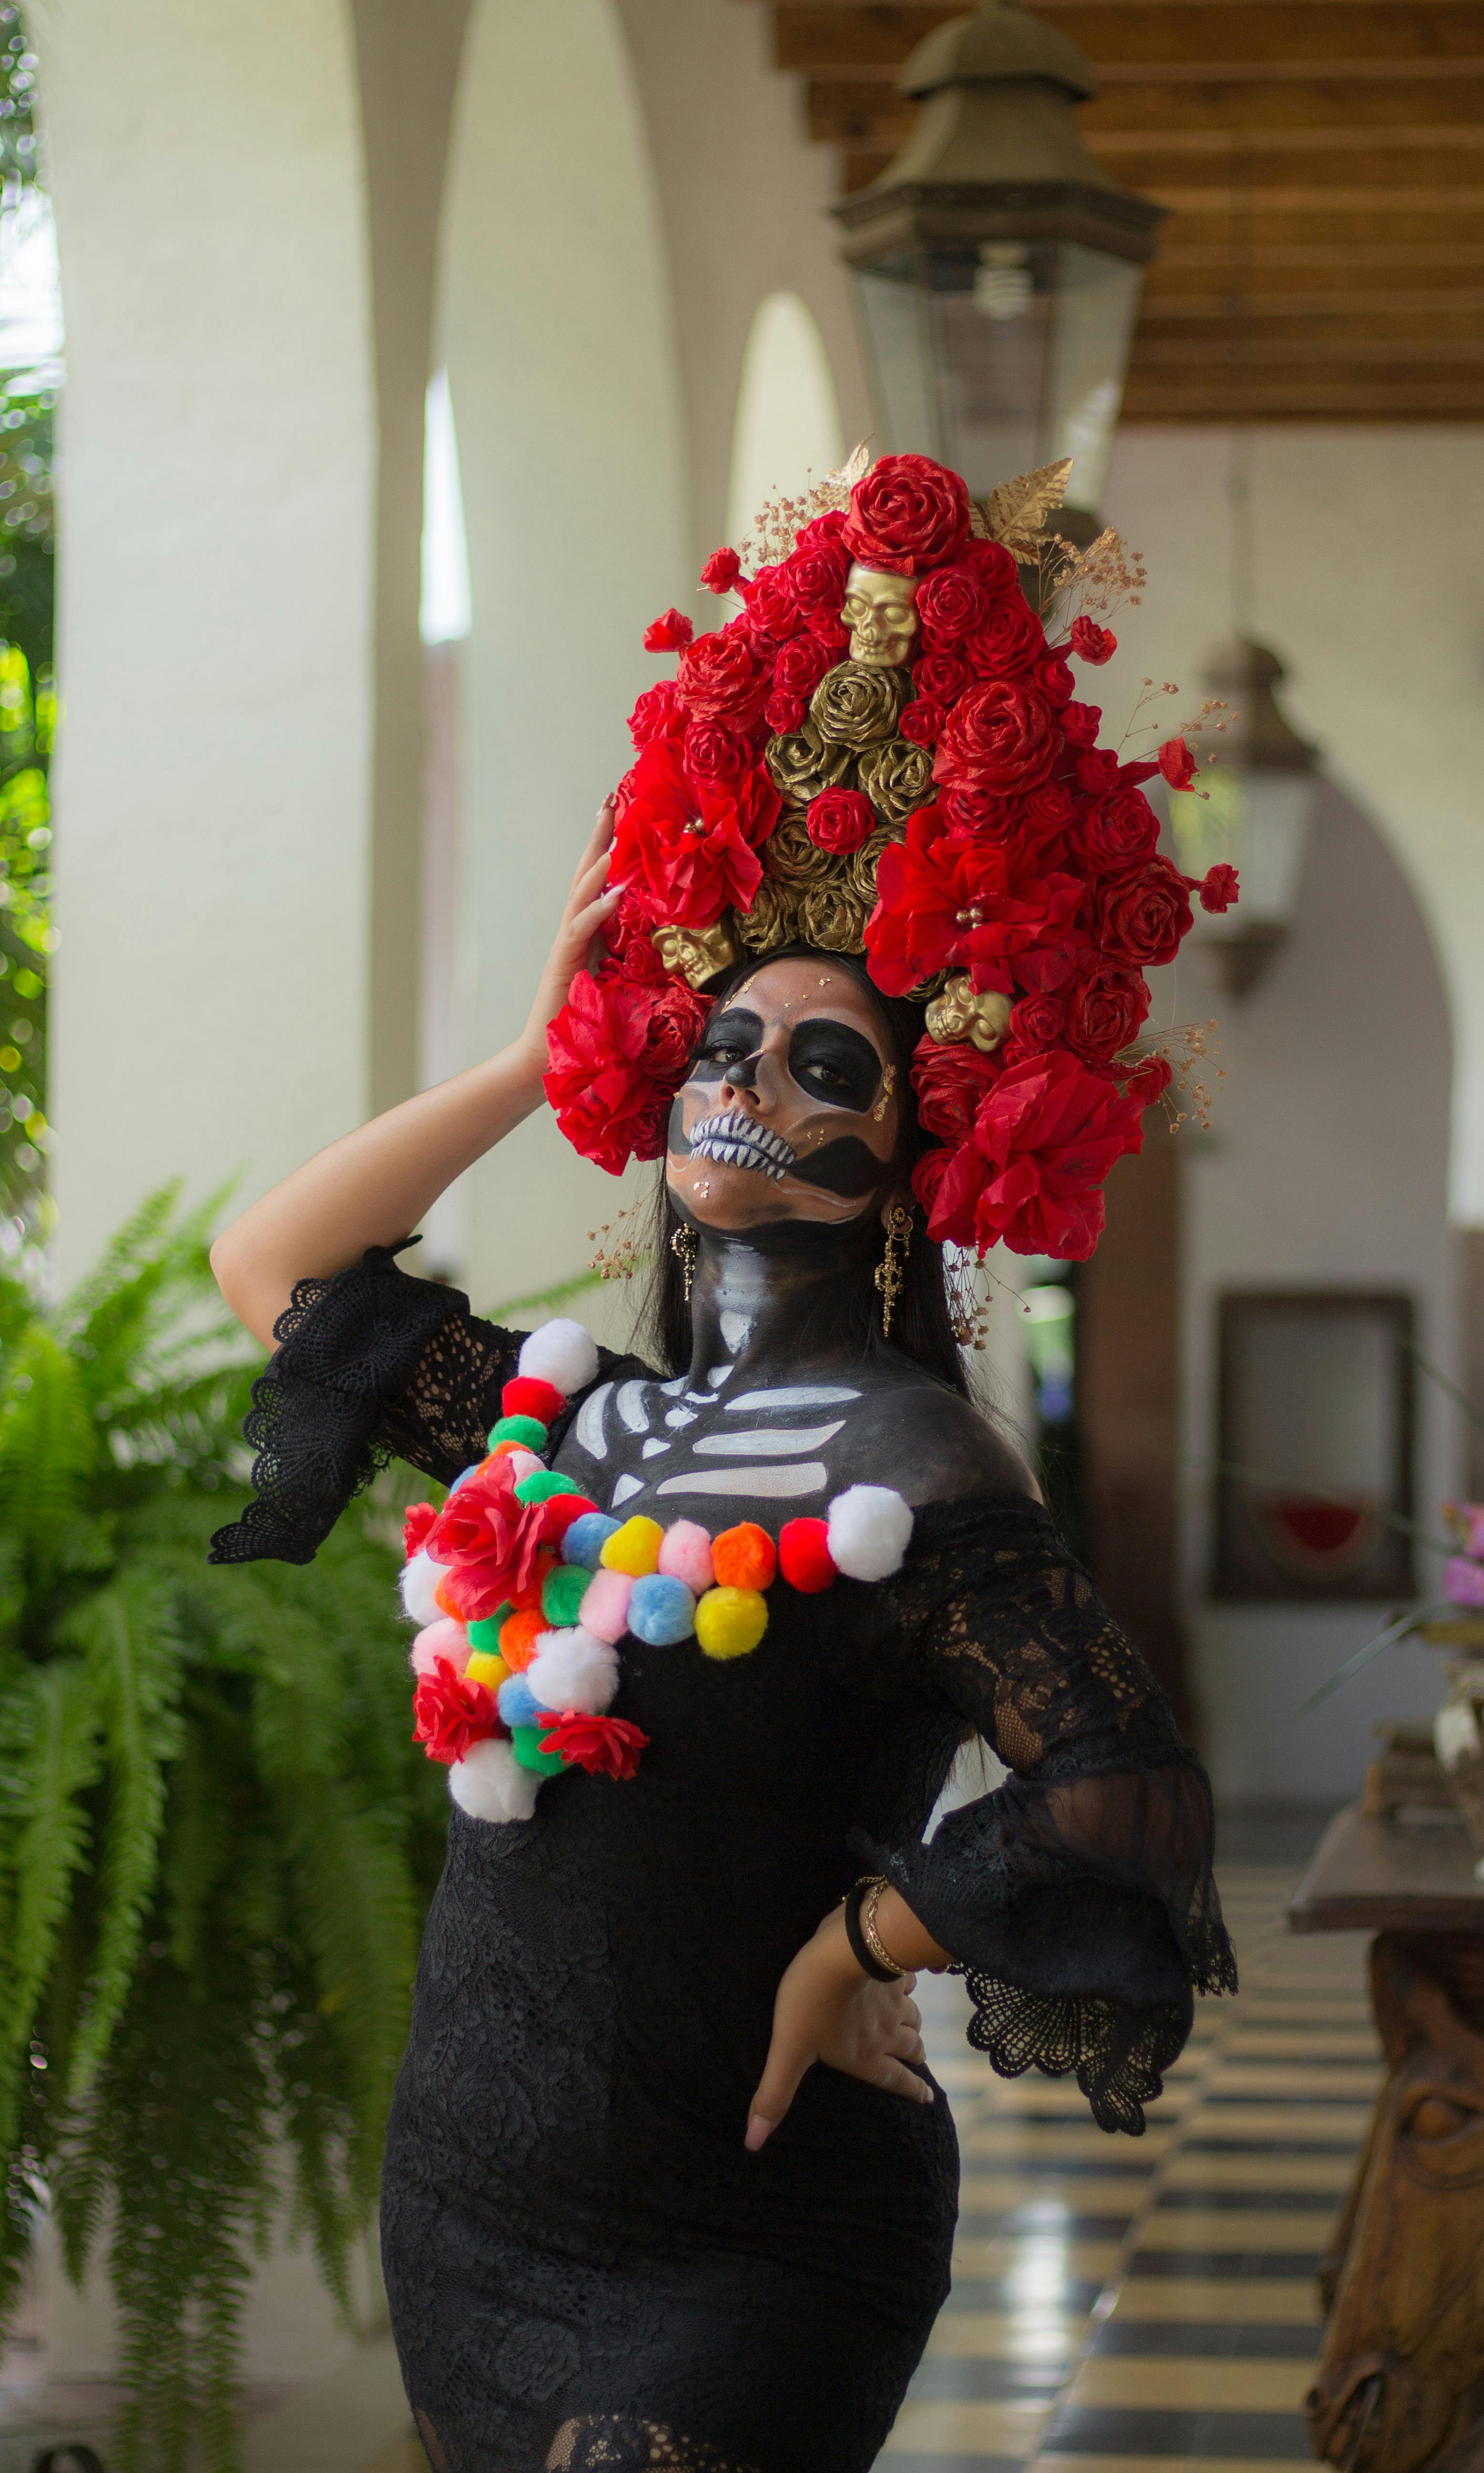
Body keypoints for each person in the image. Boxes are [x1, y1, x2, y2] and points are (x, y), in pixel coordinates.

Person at [208, 451, 1236, 2473]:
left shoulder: (909, 1454)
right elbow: (279, 1263)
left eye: (823, 1061)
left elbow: (1126, 1803)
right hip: (475, 2199)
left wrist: (864, 1944)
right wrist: (532, 1050)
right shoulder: (569, 1419)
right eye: (713, 1045)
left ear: (905, 1161)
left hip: (750, 2221)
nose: (747, 1077)